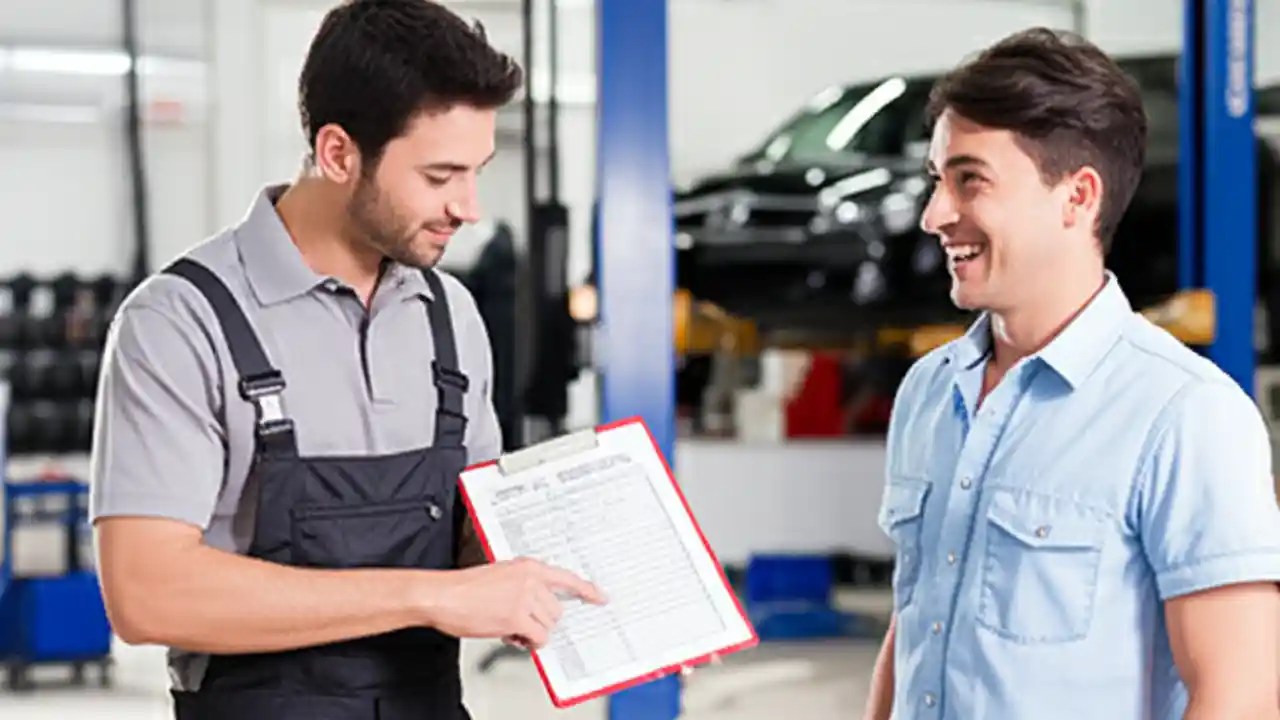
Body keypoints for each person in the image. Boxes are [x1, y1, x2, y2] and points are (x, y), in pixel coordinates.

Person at [88, 2, 604, 718]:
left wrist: (574, 579)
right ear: (338, 154)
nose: (469, 207)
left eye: (476, 171)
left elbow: (473, 534)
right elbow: (146, 595)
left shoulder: (449, 315)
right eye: (440, 175)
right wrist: (432, 596)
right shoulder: (180, 322)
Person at [863, 28, 1280, 720]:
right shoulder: (929, 392)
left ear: (1077, 197)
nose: (936, 214)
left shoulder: (1184, 412)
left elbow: (1242, 692)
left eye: (970, 180)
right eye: (937, 180)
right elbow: (916, 624)